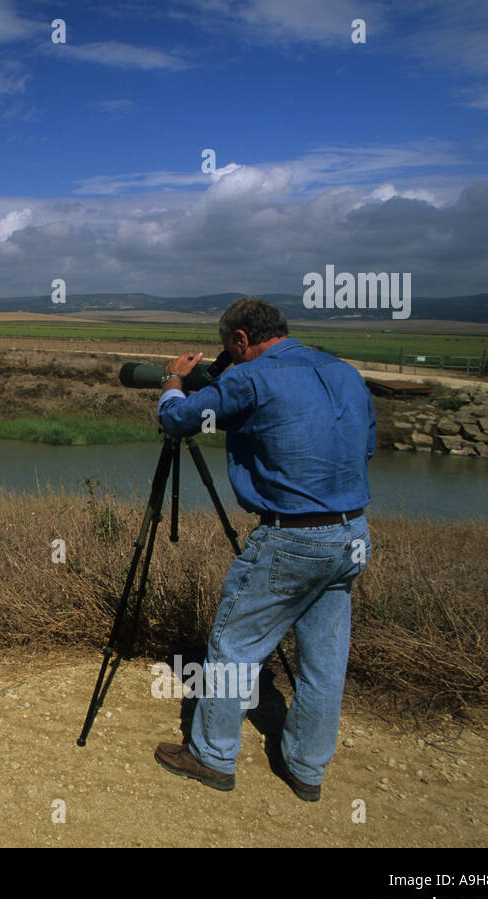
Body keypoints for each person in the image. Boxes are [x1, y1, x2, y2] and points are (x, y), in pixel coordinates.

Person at [150, 296, 375, 801]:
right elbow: (365, 446)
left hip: (291, 536)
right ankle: (306, 769)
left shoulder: (249, 378)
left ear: (240, 341)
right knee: (323, 662)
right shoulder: (343, 372)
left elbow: (181, 421)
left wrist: (172, 383)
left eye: (228, 346)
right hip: (352, 534)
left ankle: (211, 757)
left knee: (234, 648)